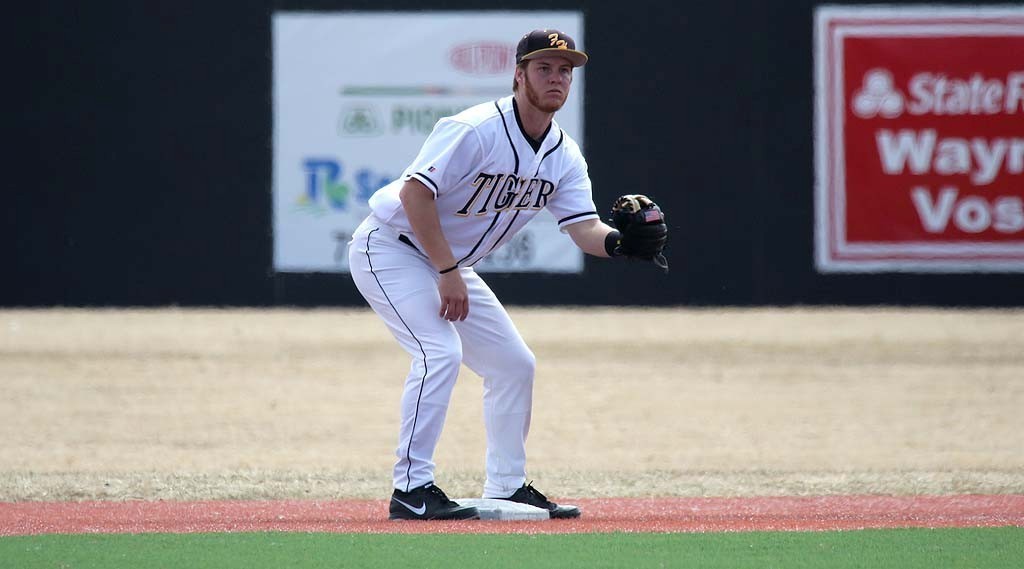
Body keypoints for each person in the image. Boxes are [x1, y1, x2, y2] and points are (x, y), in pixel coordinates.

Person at [348, 29, 645, 521]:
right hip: (390, 248)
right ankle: (411, 488)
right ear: (518, 74)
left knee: (514, 365)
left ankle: (506, 487)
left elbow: (584, 228)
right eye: (544, 67)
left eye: (564, 70)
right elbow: (414, 196)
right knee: (438, 352)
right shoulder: (475, 129)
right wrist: (447, 271)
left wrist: (620, 242)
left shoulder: (564, 154)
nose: (556, 78)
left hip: (448, 265)